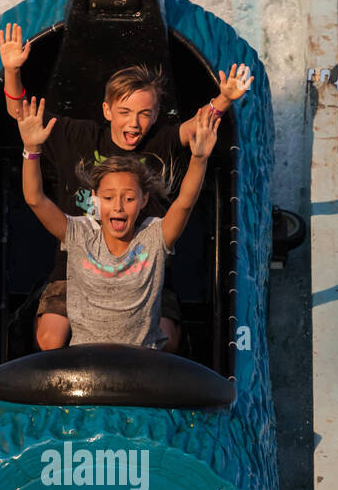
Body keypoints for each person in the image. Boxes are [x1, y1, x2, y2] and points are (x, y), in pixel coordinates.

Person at [0, 24, 253, 350]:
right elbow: (23, 116)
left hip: (145, 265)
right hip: (79, 265)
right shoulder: (78, 137)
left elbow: (199, 130)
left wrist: (224, 98)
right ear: (108, 111)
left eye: (144, 114)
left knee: (164, 342)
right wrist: (12, 70)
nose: (134, 123)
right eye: (125, 112)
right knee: (51, 339)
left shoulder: (161, 143)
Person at [16, 97, 221, 351]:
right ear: (95, 200)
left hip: (139, 366)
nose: (119, 206)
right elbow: (35, 199)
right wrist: (31, 149)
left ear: (144, 200)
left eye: (129, 198)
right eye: (109, 198)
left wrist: (199, 158)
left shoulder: (154, 236)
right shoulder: (80, 233)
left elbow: (185, 203)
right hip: (87, 365)